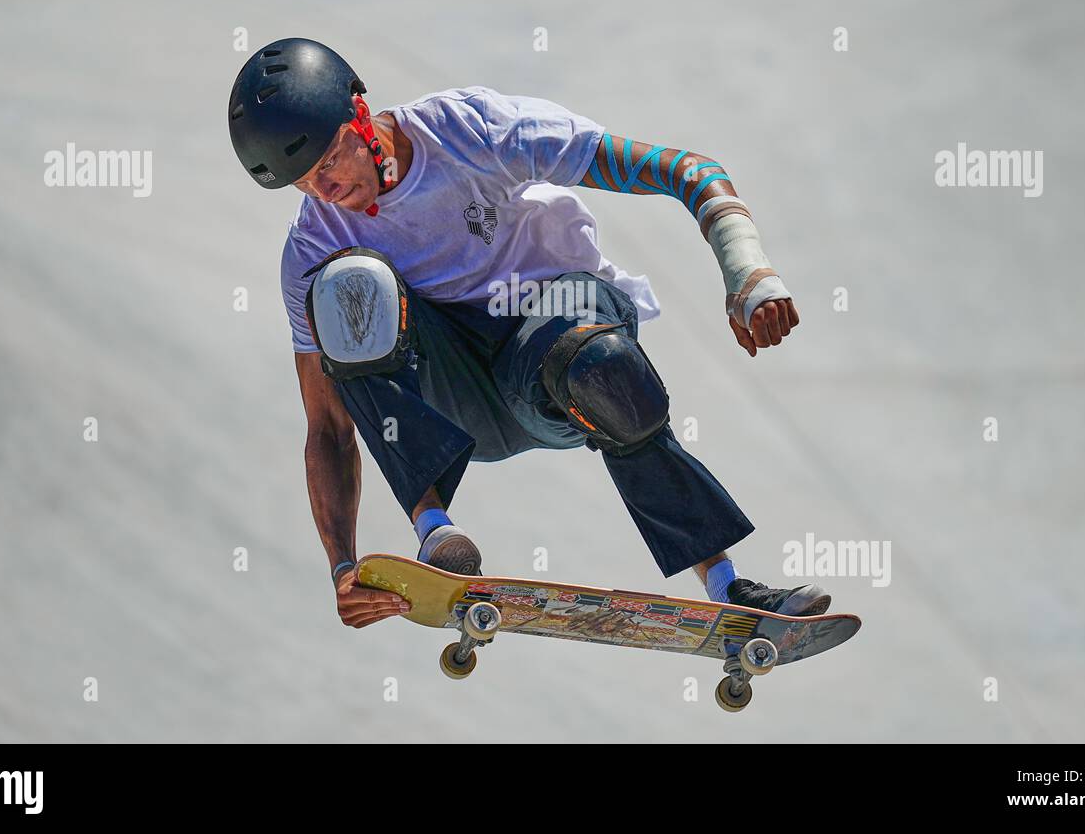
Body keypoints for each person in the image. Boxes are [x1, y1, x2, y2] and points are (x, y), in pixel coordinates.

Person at [228, 37, 827, 630]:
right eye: (303, 183)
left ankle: (727, 585)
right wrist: (342, 567)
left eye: (329, 162)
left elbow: (687, 170)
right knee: (345, 285)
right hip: (460, 402)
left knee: (598, 363)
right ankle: (436, 533)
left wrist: (746, 269)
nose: (325, 192)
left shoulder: (472, 130)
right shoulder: (311, 246)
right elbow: (328, 427)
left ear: (359, 115)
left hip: (552, 350)